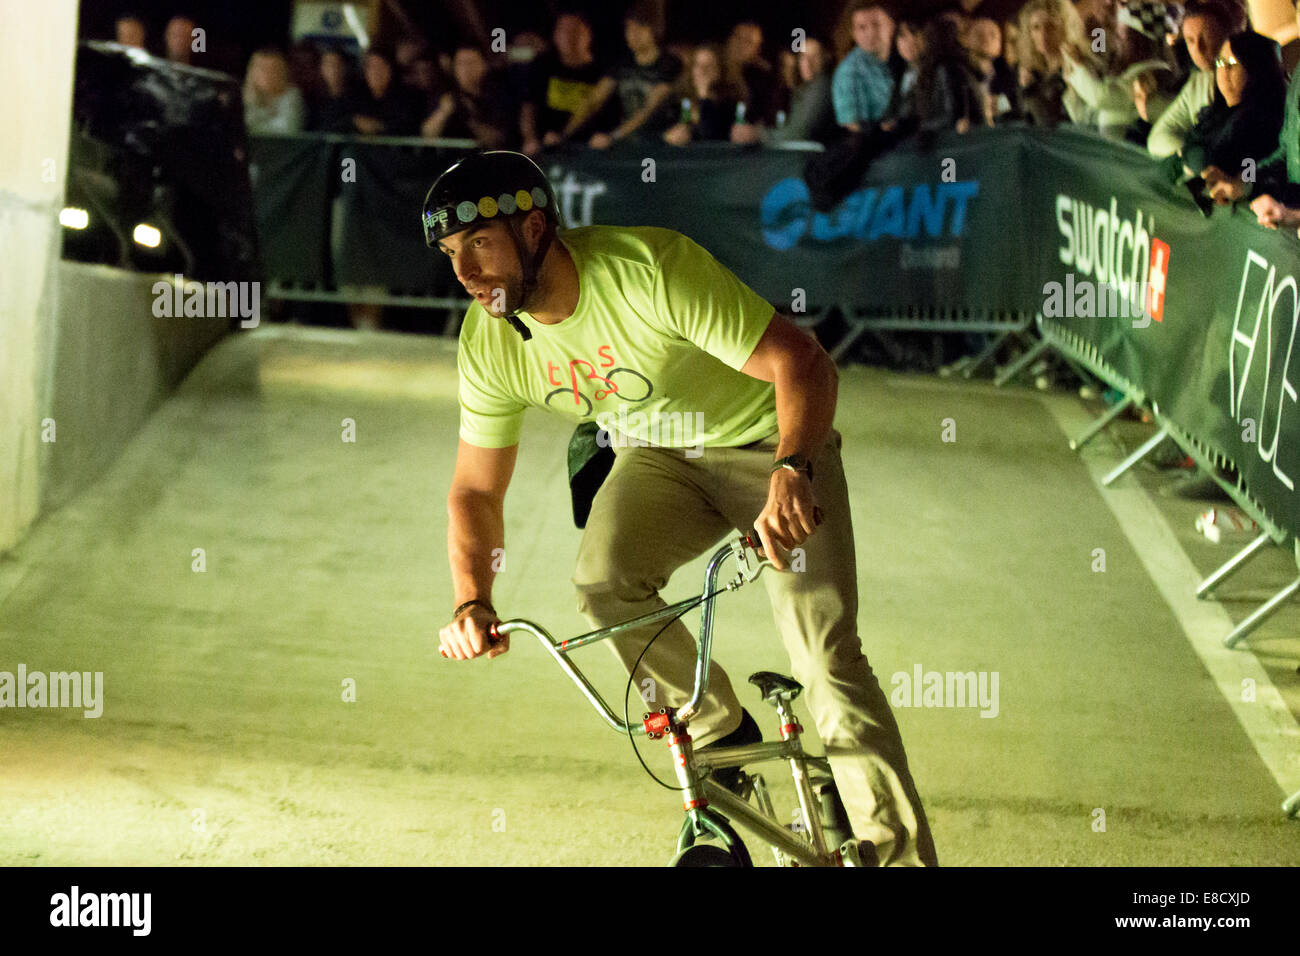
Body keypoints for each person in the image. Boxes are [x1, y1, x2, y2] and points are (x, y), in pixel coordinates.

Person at [429, 150, 939, 867]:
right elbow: (475, 490)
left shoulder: (648, 271)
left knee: (827, 658)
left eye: (479, 244)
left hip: (771, 443)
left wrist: (794, 469)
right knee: (602, 583)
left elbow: (805, 363)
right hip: (663, 455)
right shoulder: (489, 343)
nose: (466, 275)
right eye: (452, 254)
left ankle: (898, 855)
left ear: (535, 228)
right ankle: (717, 732)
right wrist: (470, 601)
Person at [1206, 0, 1300, 224]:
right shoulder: (1298, 77)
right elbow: (1284, 152)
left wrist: (1294, 215)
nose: (1225, 71)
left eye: (1232, 63)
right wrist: (1244, 182)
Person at [557, 1, 682, 149]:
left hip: (661, 145)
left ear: (653, 29)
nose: (632, 34)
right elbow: (593, 101)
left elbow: (648, 109)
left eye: (639, 28)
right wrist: (563, 135)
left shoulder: (669, 65)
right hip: (628, 145)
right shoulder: (622, 65)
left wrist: (613, 136)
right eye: (629, 28)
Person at [1148, 0, 1243, 156]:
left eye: (1207, 37)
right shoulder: (1199, 82)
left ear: (1227, 35)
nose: (1198, 49)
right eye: (1190, 41)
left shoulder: (1246, 76)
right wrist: (1192, 154)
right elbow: (1158, 138)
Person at [521, 11, 608, 154]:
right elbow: (528, 107)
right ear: (555, 36)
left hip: (590, 148)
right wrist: (530, 138)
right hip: (547, 146)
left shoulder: (604, 72)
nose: (569, 37)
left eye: (575, 31)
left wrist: (606, 136)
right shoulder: (542, 65)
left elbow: (606, 112)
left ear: (588, 34)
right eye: (563, 31)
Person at [421, 45, 514, 148]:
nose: (466, 69)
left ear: (484, 66)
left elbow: (497, 140)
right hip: (448, 158)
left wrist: (471, 117)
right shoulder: (444, 95)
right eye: (460, 63)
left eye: (471, 63)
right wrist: (444, 112)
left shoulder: (496, 96)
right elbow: (427, 135)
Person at [1017, 0, 1091, 127]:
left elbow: (1052, 125)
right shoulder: (1034, 72)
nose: (1043, 35)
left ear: (1065, 28)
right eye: (1036, 27)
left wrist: (1030, 90)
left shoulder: (1076, 69)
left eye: (1050, 26)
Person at [832, 0, 897, 133]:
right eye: (862, 27)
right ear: (853, 33)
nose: (871, 33)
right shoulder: (849, 71)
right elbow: (850, 124)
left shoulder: (898, 59)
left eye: (876, 25)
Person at [663, 44, 743, 144]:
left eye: (709, 65)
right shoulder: (682, 100)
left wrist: (704, 97)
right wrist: (669, 136)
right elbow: (669, 129)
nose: (702, 70)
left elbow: (710, 135)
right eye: (698, 65)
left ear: (720, 70)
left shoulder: (733, 103)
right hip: (688, 158)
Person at [353, 50, 423, 136]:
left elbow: (408, 127)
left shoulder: (406, 98)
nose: (376, 72)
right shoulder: (358, 97)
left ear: (390, 70)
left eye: (380, 66)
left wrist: (380, 127)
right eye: (371, 67)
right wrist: (356, 122)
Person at [243, 49, 306, 134]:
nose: (268, 74)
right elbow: (242, 127)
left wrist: (256, 124)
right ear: (252, 71)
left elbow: (288, 129)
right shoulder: (242, 96)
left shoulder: (292, 95)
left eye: (274, 69)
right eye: (263, 68)